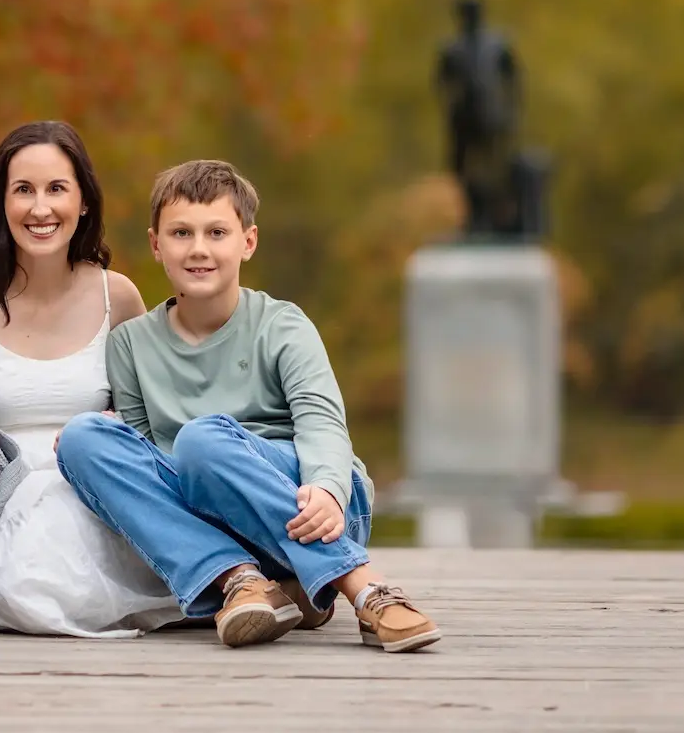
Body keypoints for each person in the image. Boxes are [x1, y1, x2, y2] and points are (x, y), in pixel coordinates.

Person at [56, 159, 443, 652]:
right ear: (156, 245)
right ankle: (245, 582)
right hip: (212, 519)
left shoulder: (282, 325)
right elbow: (150, 457)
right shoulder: (130, 344)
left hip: (314, 505)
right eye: (181, 233)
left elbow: (322, 422)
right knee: (82, 438)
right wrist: (117, 440)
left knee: (200, 441)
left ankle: (363, 586)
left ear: (248, 242)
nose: (199, 249)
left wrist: (326, 488)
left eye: (217, 232)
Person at [0, 121, 181, 638]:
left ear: (84, 204)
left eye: (57, 189)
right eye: (23, 190)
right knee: (23, 570)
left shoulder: (117, 297)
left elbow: (150, 420)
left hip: (100, 498)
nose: (40, 208)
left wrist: (121, 424)